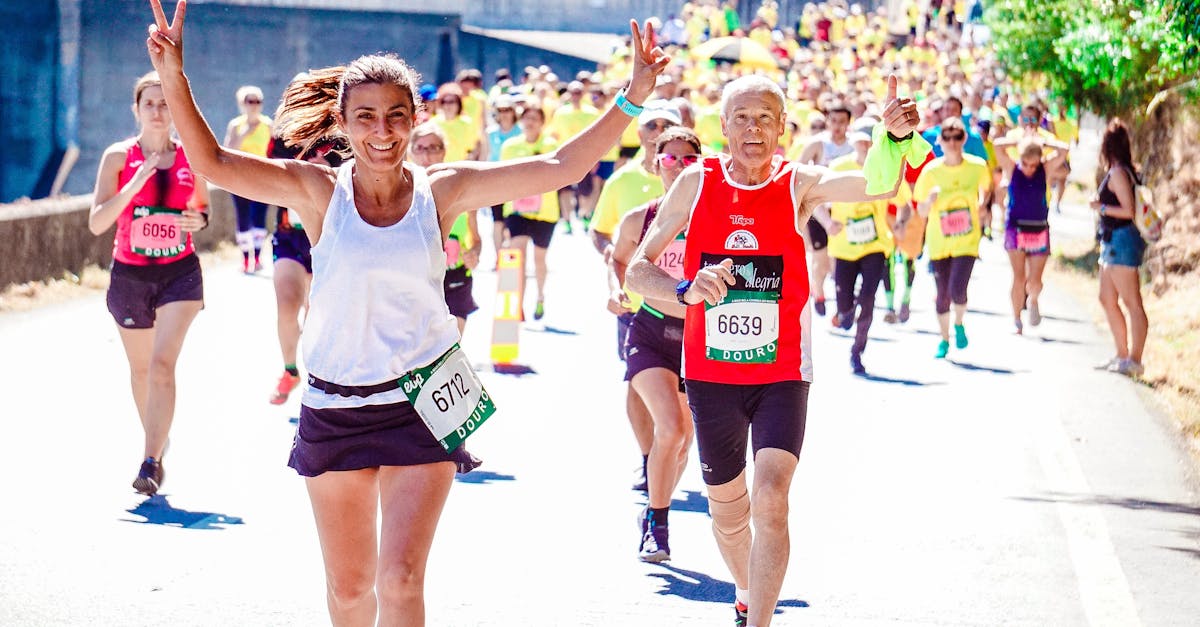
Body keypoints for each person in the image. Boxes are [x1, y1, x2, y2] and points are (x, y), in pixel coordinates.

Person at [145, 4, 666, 625]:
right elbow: (215, 165)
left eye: (396, 115)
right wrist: (174, 74)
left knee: (400, 581)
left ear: (417, 116)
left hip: (424, 402)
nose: (383, 131)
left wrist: (634, 95)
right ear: (342, 123)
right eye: (364, 117)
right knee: (349, 589)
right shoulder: (318, 192)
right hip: (336, 408)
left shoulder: (443, 190)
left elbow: (562, 168)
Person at [627, 74, 924, 627]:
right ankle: (747, 589)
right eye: (740, 117)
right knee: (728, 512)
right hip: (712, 373)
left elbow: (876, 187)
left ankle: (758, 619)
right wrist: (687, 290)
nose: (753, 128)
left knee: (771, 496)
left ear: (783, 128)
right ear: (723, 127)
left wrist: (894, 139)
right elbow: (639, 271)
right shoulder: (695, 182)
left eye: (765, 117)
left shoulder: (798, 184)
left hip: (782, 370)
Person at [88, 70, 210, 495]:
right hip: (130, 275)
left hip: (179, 274)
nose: (158, 111)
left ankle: (150, 460)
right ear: (136, 110)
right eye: (150, 104)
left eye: (165, 104)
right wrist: (134, 185)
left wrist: (199, 219)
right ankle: (158, 440)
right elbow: (97, 222)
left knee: (161, 365)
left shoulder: (192, 158)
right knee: (140, 370)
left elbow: (203, 210)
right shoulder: (118, 158)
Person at [609, 126, 701, 562]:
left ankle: (653, 508)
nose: (679, 166)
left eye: (688, 160)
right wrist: (616, 289)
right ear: (655, 164)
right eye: (670, 159)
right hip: (650, 331)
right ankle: (658, 525)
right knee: (673, 428)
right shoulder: (639, 219)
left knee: (681, 444)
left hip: (700, 340)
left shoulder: (715, 219)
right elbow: (619, 259)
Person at [591, 99, 680, 492]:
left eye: (667, 124)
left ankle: (667, 451)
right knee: (635, 384)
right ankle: (649, 458)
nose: (657, 130)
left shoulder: (695, 179)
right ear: (640, 134)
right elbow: (600, 231)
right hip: (634, 303)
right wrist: (614, 257)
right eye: (651, 125)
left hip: (681, 306)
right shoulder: (622, 181)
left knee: (679, 398)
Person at [264, 130, 345, 405]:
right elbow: (267, 178)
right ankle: (289, 370)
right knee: (287, 304)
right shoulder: (283, 140)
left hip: (328, 235)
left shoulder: (342, 140)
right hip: (290, 235)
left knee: (318, 314)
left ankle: (317, 374)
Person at [818, 131, 908, 374]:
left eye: (871, 140)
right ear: (853, 141)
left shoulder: (885, 168)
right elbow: (816, 198)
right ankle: (845, 313)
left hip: (876, 245)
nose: (865, 145)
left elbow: (905, 204)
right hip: (845, 247)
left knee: (868, 300)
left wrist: (900, 224)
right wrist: (828, 223)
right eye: (861, 140)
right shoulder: (839, 166)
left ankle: (857, 351)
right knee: (846, 309)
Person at [913, 117, 993, 358]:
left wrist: (982, 205)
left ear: (964, 139)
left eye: (957, 137)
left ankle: (959, 324)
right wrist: (929, 201)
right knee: (942, 293)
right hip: (939, 240)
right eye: (946, 137)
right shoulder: (930, 171)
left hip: (967, 239)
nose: (952, 142)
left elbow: (987, 189)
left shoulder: (977, 166)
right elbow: (921, 211)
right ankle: (944, 339)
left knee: (958, 289)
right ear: (940, 141)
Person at [992, 134, 1070, 334]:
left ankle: (1033, 299)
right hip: (1016, 227)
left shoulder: (1044, 169)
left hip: (1038, 228)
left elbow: (1064, 149)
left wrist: (1044, 143)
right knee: (1018, 277)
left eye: (1033, 165)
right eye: (1026, 163)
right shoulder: (1012, 168)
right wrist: (1020, 142)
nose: (1029, 168)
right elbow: (997, 146)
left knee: (1034, 280)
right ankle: (1017, 318)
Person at [409, 122, 482, 334]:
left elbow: (476, 239)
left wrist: (475, 253)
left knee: (453, 346)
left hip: (456, 277)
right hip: (417, 281)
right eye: (420, 148)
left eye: (433, 148)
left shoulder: (461, 191)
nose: (426, 155)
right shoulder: (400, 192)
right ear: (411, 152)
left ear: (444, 151)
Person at [1091, 119, 1148, 377]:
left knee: (1132, 302)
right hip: (1112, 241)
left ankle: (1134, 359)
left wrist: (1100, 207)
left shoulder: (1118, 173)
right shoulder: (1126, 170)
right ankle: (1122, 354)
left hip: (1121, 241)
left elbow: (1128, 210)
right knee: (1107, 298)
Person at [499, 100, 560, 321]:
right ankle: (517, 305)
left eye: (535, 118)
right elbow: (503, 175)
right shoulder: (510, 146)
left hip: (545, 211)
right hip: (517, 209)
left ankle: (540, 297)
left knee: (539, 259)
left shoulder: (552, 146)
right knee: (517, 256)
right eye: (527, 118)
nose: (530, 122)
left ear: (543, 122)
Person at [796, 101, 856, 316]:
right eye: (833, 121)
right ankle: (819, 292)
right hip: (820, 209)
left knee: (839, 261)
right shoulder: (818, 145)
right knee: (821, 258)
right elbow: (797, 170)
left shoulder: (853, 146)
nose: (837, 126)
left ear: (849, 123)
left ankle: (843, 299)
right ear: (827, 121)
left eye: (842, 122)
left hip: (846, 209)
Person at [223, 84, 272, 272]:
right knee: (243, 218)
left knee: (259, 217)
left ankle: (258, 258)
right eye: (250, 101)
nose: (254, 105)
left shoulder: (268, 125)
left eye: (257, 101)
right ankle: (245, 260)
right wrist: (246, 132)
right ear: (242, 104)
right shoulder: (236, 125)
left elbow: (274, 151)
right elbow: (228, 151)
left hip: (262, 178)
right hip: (239, 178)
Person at [484, 95, 521, 266]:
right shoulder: (490, 133)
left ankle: (511, 258)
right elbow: (485, 156)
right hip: (494, 181)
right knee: (497, 222)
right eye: (501, 110)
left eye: (507, 110)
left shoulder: (520, 131)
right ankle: (498, 258)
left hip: (515, 182)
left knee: (512, 223)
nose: (504, 114)